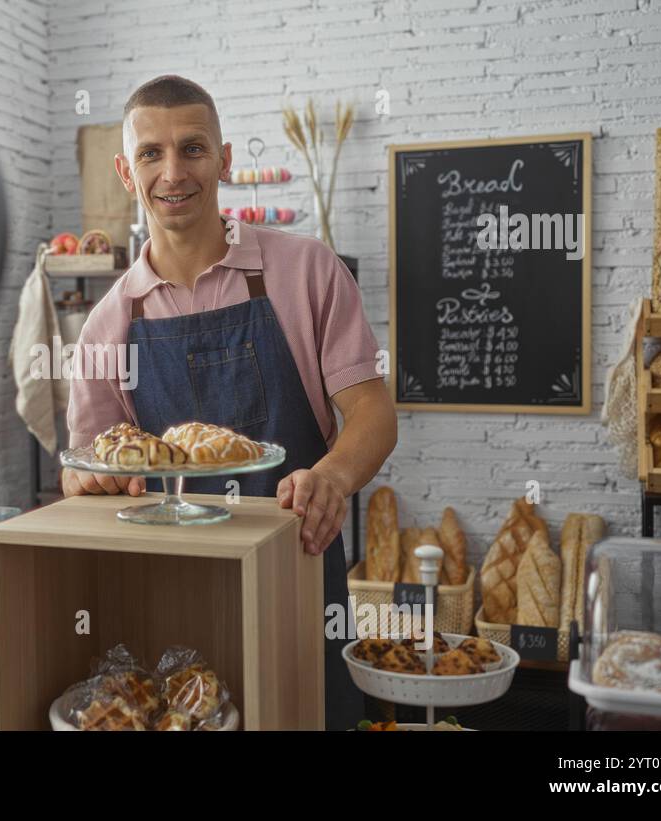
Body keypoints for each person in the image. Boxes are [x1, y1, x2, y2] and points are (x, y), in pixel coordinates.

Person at [64, 75, 397, 729]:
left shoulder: (309, 271)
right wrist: (88, 478)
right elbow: (86, 471)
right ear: (126, 173)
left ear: (224, 158)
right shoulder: (108, 322)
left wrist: (333, 474)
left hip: (297, 579)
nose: (173, 171)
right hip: (167, 595)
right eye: (151, 154)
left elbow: (373, 414)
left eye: (192, 148)